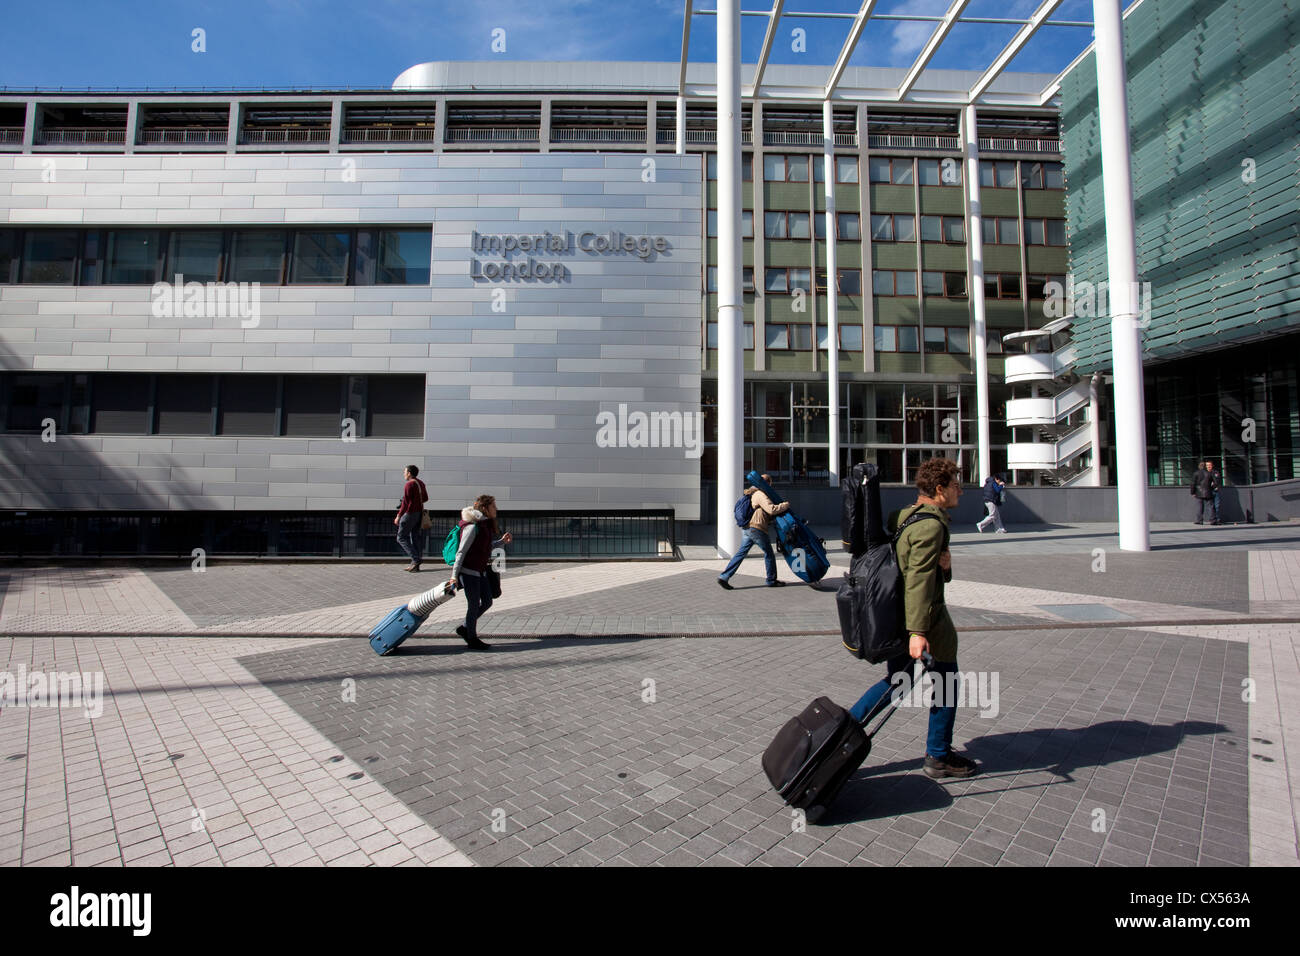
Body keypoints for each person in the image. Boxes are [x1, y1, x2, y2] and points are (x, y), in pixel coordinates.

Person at [846, 457, 978, 779]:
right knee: (946, 684)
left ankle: (843, 731)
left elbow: (920, 570)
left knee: (896, 683)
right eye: (955, 485)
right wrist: (918, 632)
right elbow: (918, 579)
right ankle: (938, 755)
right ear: (938, 489)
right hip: (925, 624)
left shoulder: (907, 517)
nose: (960, 490)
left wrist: (945, 568)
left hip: (900, 618)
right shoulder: (931, 526)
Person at [448, 494, 512, 650]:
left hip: (480, 571)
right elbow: (461, 552)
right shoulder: (472, 527)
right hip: (468, 572)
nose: (496, 509)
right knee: (474, 604)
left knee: (488, 601)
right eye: (493, 506)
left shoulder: (485, 526)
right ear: (485, 508)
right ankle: (471, 638)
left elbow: (485, 547)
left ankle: (465, 627)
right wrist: (454, 576)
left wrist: (501, 542)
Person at [717, 473, 789, 590]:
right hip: (756, 528)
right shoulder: (760, 494)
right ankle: (771, 580)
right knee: (769, 554)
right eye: (770, 484)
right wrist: (785, 505)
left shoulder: (752, 493)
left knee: (741, 554)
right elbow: (771, 509)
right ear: (766, 484)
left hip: (747, 528)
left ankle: (724, 577)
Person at [393, 464, 428, 572]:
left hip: (410, 514)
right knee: (415, 537)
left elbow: (405, 503)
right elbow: (426, 498)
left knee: (401, 537)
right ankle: (415, 565)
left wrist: (398, 516)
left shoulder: (409, 485)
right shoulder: (420, 483)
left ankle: (416, 559)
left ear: (409, 473)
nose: (404, 474)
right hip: (419, 514)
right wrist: (417, 502)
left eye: (405, 472)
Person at [1207, 460, 1222, 525]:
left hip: (1215, 491)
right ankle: (1212, 520)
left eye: (1209, 465)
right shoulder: (1205, 473)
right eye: (1207, 465)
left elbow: (1217, 480)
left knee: (1217, 506)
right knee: (1211, 506)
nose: (1208, 467)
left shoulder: (1215, 472)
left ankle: (1217, 519)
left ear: (1212, 465)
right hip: (1208, 491)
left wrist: (1214, 485)